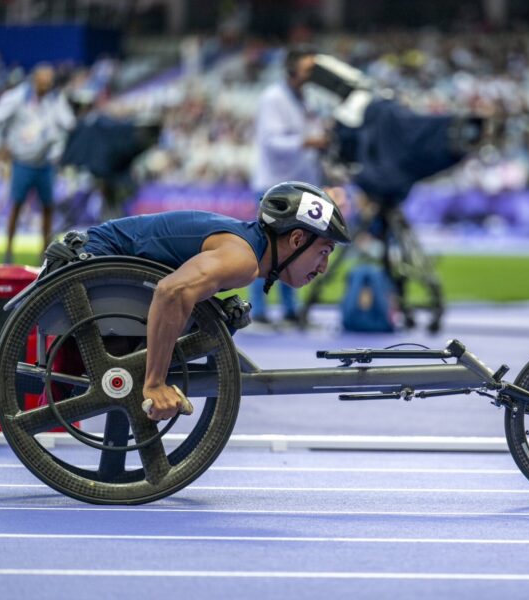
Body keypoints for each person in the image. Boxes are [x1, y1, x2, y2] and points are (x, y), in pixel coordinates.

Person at [81, 181, 350, 421]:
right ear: (297, 239)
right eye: (323, 252)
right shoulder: (242, 260)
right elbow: (171, 292)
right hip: (90, 262)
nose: (323, 267)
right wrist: (154, 383)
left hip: (98, 262)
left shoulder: (246, 248)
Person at [247, 45, 330, 325]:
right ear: (293, 68)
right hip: (274, 187)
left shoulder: (306, 98)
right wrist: (308, 141)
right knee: (266, 247)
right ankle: (256, 309)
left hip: (301, 187)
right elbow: (272, 143)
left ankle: (291, 309)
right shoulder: (274, 97)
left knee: (298, 248)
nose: (312, 74)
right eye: (309, 68)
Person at [0, 63, 75, 264]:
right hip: (22, 161)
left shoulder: (55, 100)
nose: (47, 85)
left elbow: (69, 124)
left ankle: (45, 252)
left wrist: (58, 147)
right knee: (16, 205)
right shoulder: (17, 97)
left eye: (49, 81)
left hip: (46, 163)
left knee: (48, 207)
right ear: (35, 80)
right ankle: (8, 250)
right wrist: (0, 144)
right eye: (44, 81)